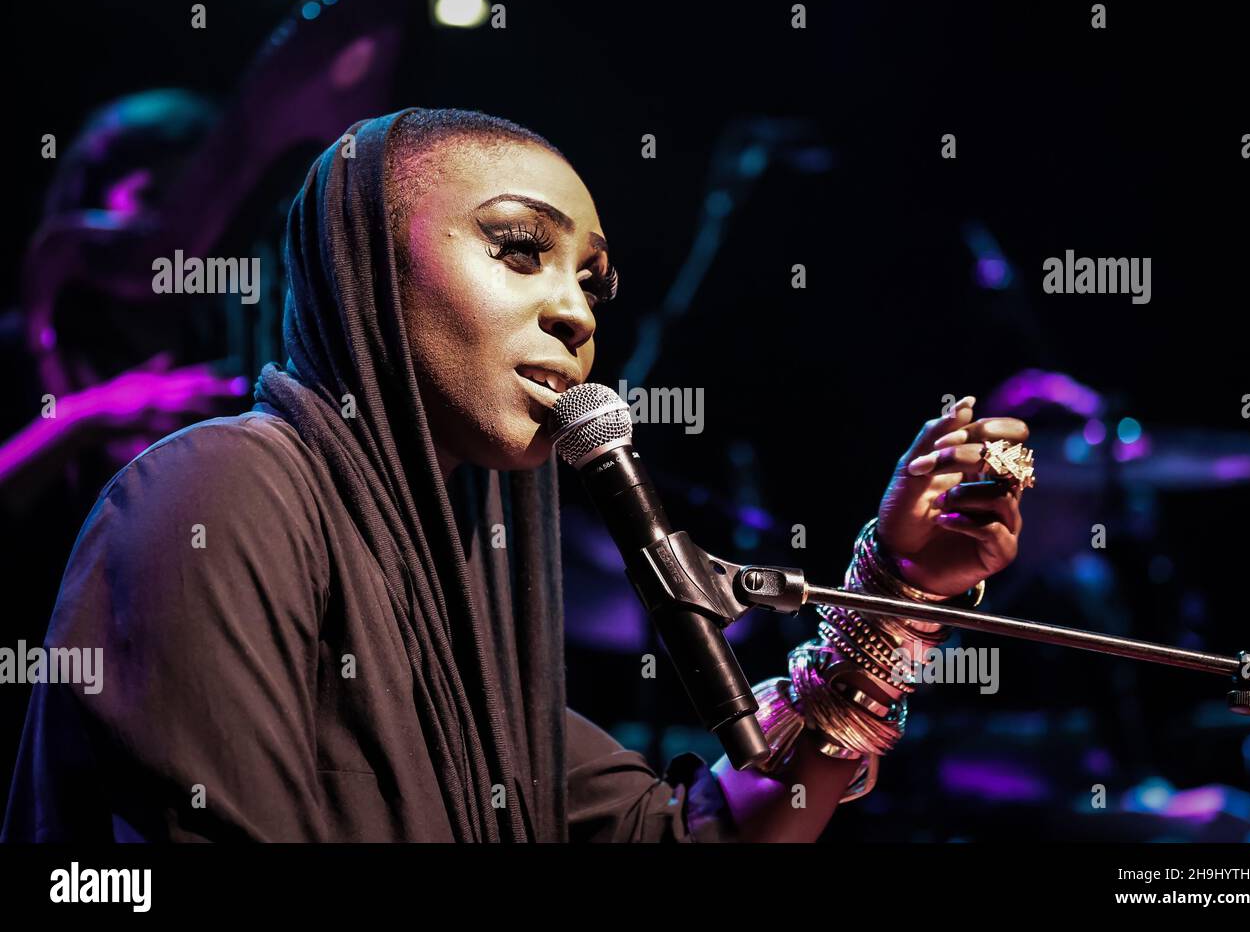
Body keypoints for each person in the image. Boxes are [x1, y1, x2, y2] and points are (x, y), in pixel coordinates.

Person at [2, 108, 1028, 842]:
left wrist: (899, 594)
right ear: (367, 264)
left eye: (590, 280)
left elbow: (703, 831)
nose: (579, 314)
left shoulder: (464, 608)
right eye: (518, 248)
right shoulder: (218, 488)